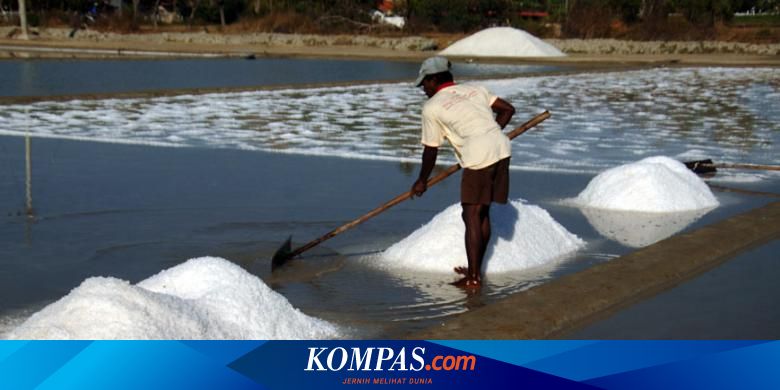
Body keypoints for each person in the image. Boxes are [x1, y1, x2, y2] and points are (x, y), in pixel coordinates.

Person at [410, 56, 515, 289]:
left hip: (479, 157)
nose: (423, 89)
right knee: (482, 211)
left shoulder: (432, 107)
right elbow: (507, 110)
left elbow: (430, 150)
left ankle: (474, 278)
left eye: (424, 84)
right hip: (501, 147)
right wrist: (489, 134)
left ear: (435, 79)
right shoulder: (474, 90)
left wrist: (421, 181)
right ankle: (475, 268)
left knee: (471, 216)